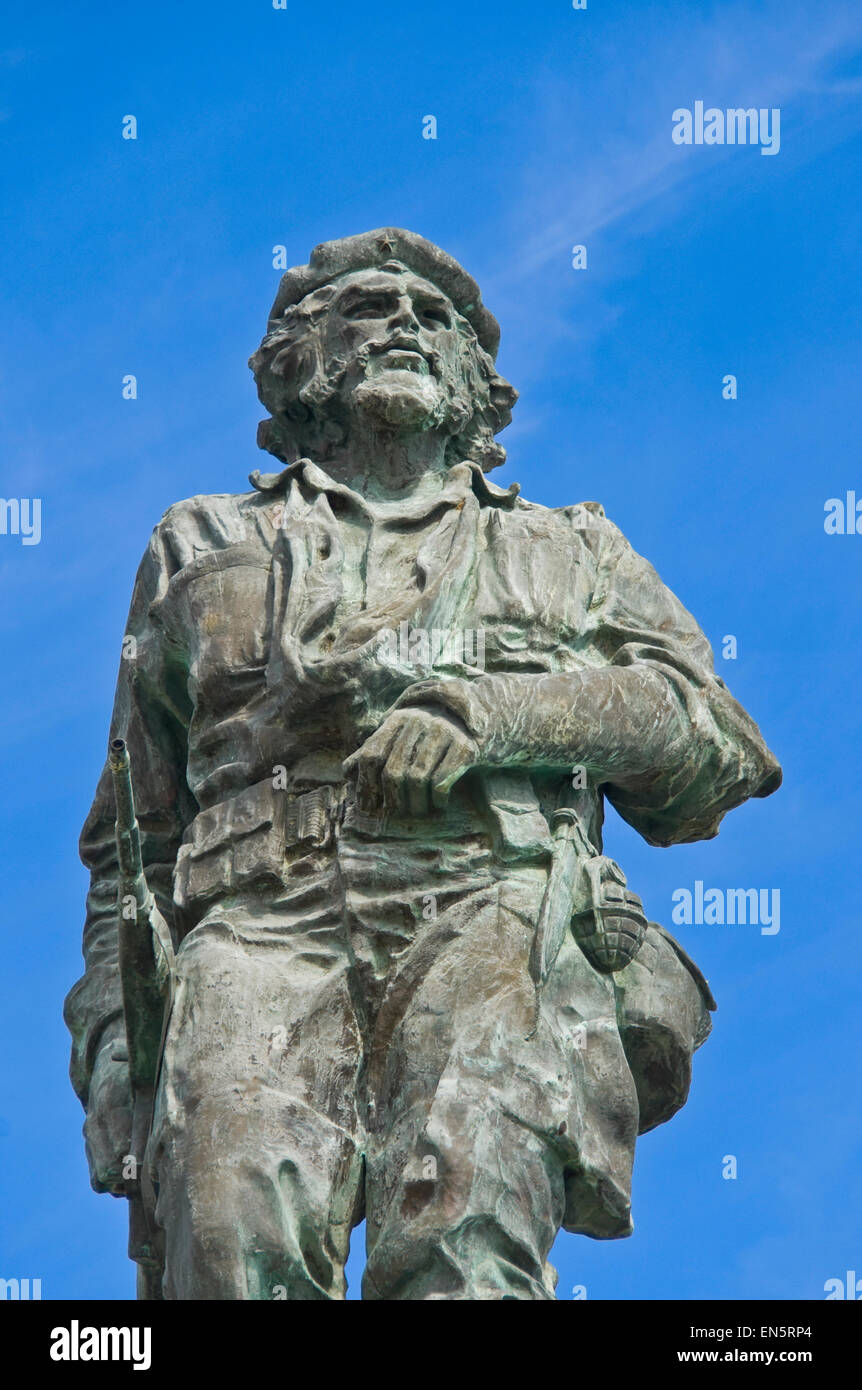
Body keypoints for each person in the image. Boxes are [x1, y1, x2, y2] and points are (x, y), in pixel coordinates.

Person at [65, 228, 781, 1300]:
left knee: (466, 1231)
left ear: (474, 384)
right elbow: (130, 845)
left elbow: (714, 745)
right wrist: (116, 1045)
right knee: (225, 1228)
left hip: (489, 908)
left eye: (432, 315)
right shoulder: (198, 544)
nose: (402, 322)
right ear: (297, 362)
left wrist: (501, 716)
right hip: (258, 920)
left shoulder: (568, 549)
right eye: (364, 308)